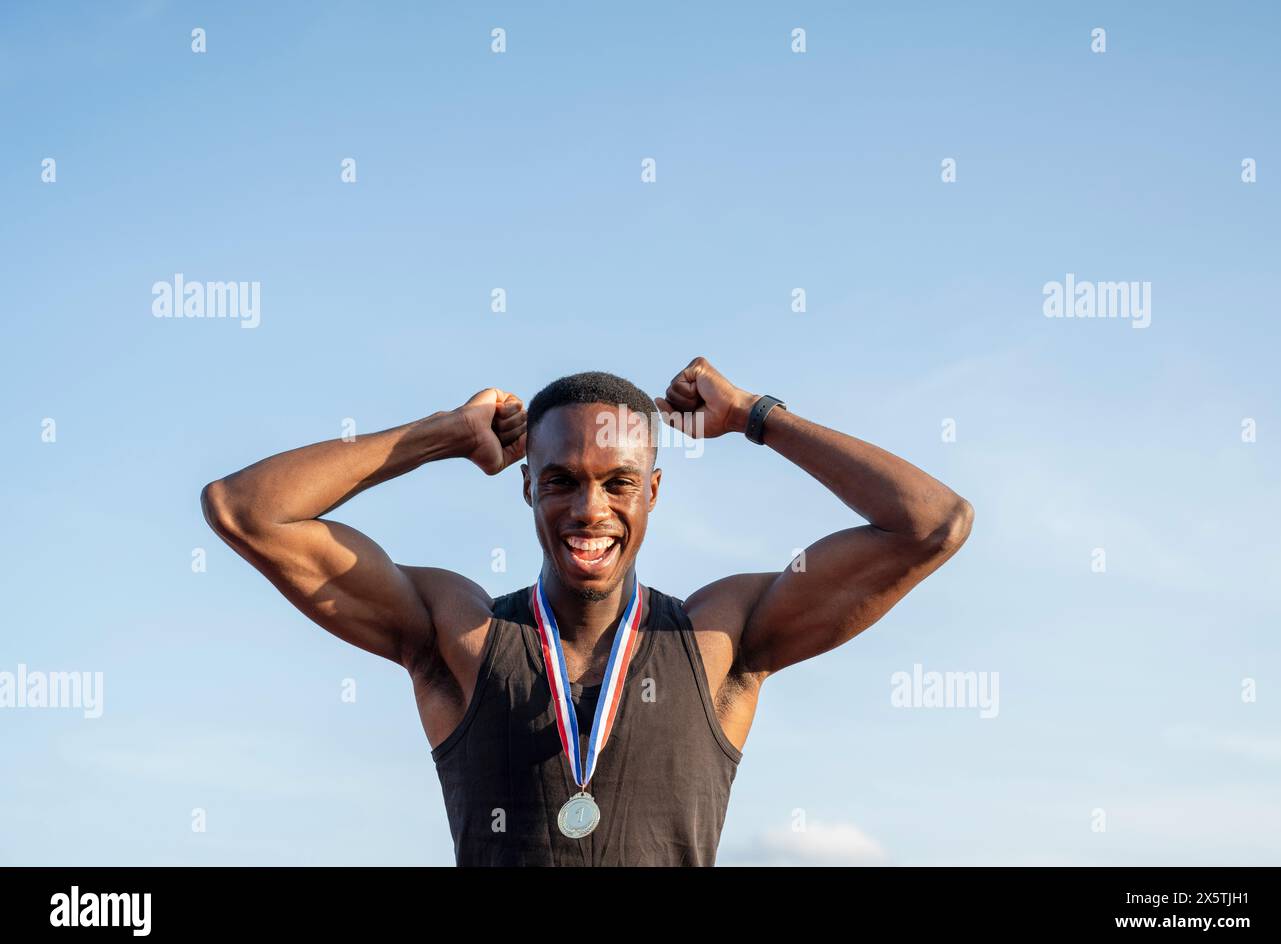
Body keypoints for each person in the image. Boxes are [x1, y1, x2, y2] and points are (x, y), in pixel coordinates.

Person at [200, 357, 973, 865]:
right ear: (527, 486)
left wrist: (755, 416)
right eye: (561, 479)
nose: (590, 509)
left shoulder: (718, 639)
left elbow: (933, 523)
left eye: (619, 482)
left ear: (655, 492)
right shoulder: (460, 633)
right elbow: (245, 511)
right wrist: (442, 434)